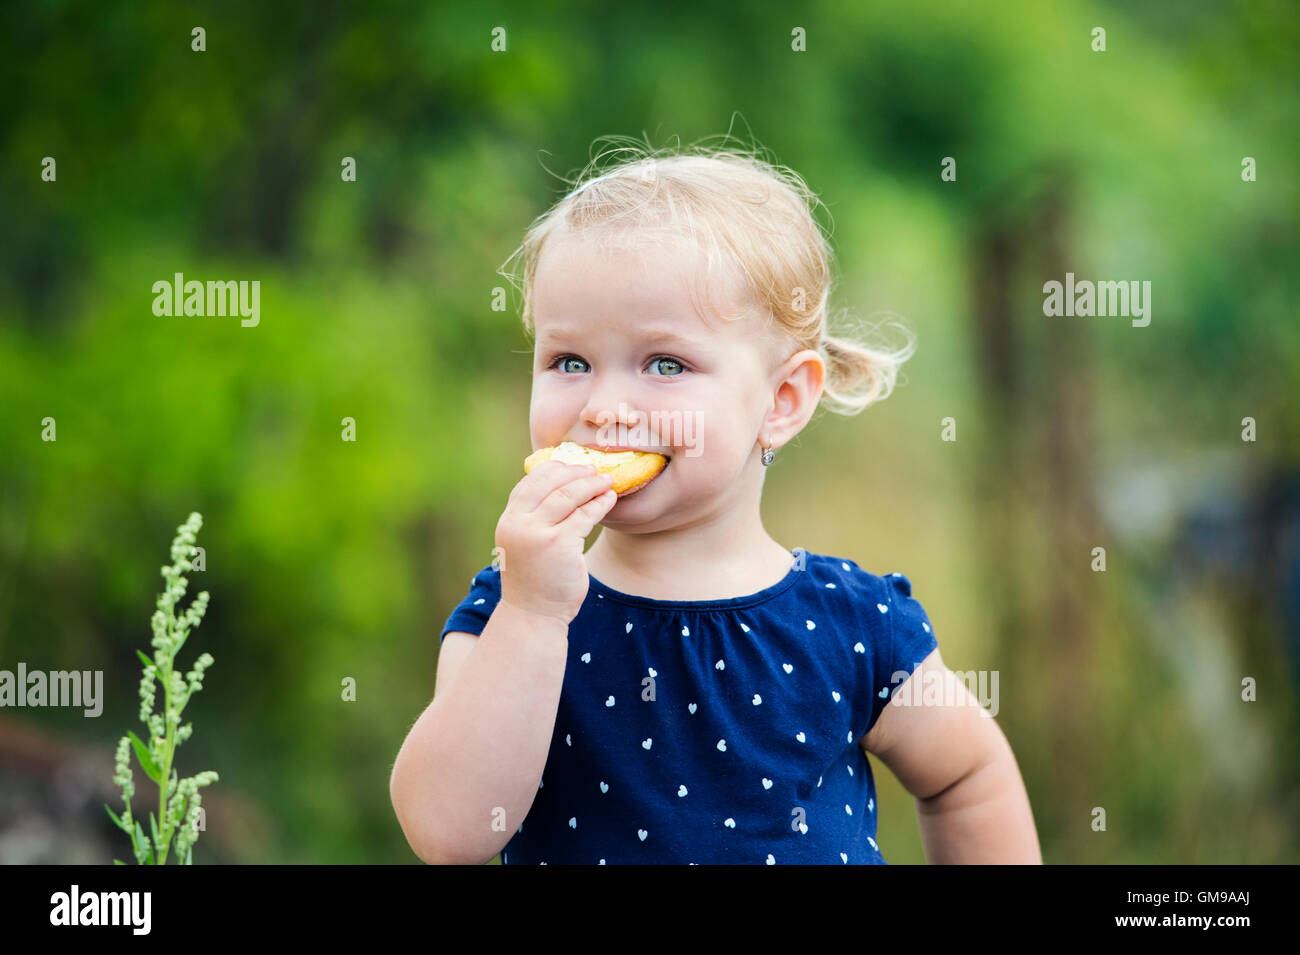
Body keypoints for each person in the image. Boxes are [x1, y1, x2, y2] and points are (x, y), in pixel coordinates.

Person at [390, 141, 1041, 864]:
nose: (603, 406)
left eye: (665, 364)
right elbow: (447, 832)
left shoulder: (854, 624)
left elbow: (967, 775)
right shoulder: (514, 607)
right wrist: (534, 611)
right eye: (569, 361)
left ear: (783, 399)